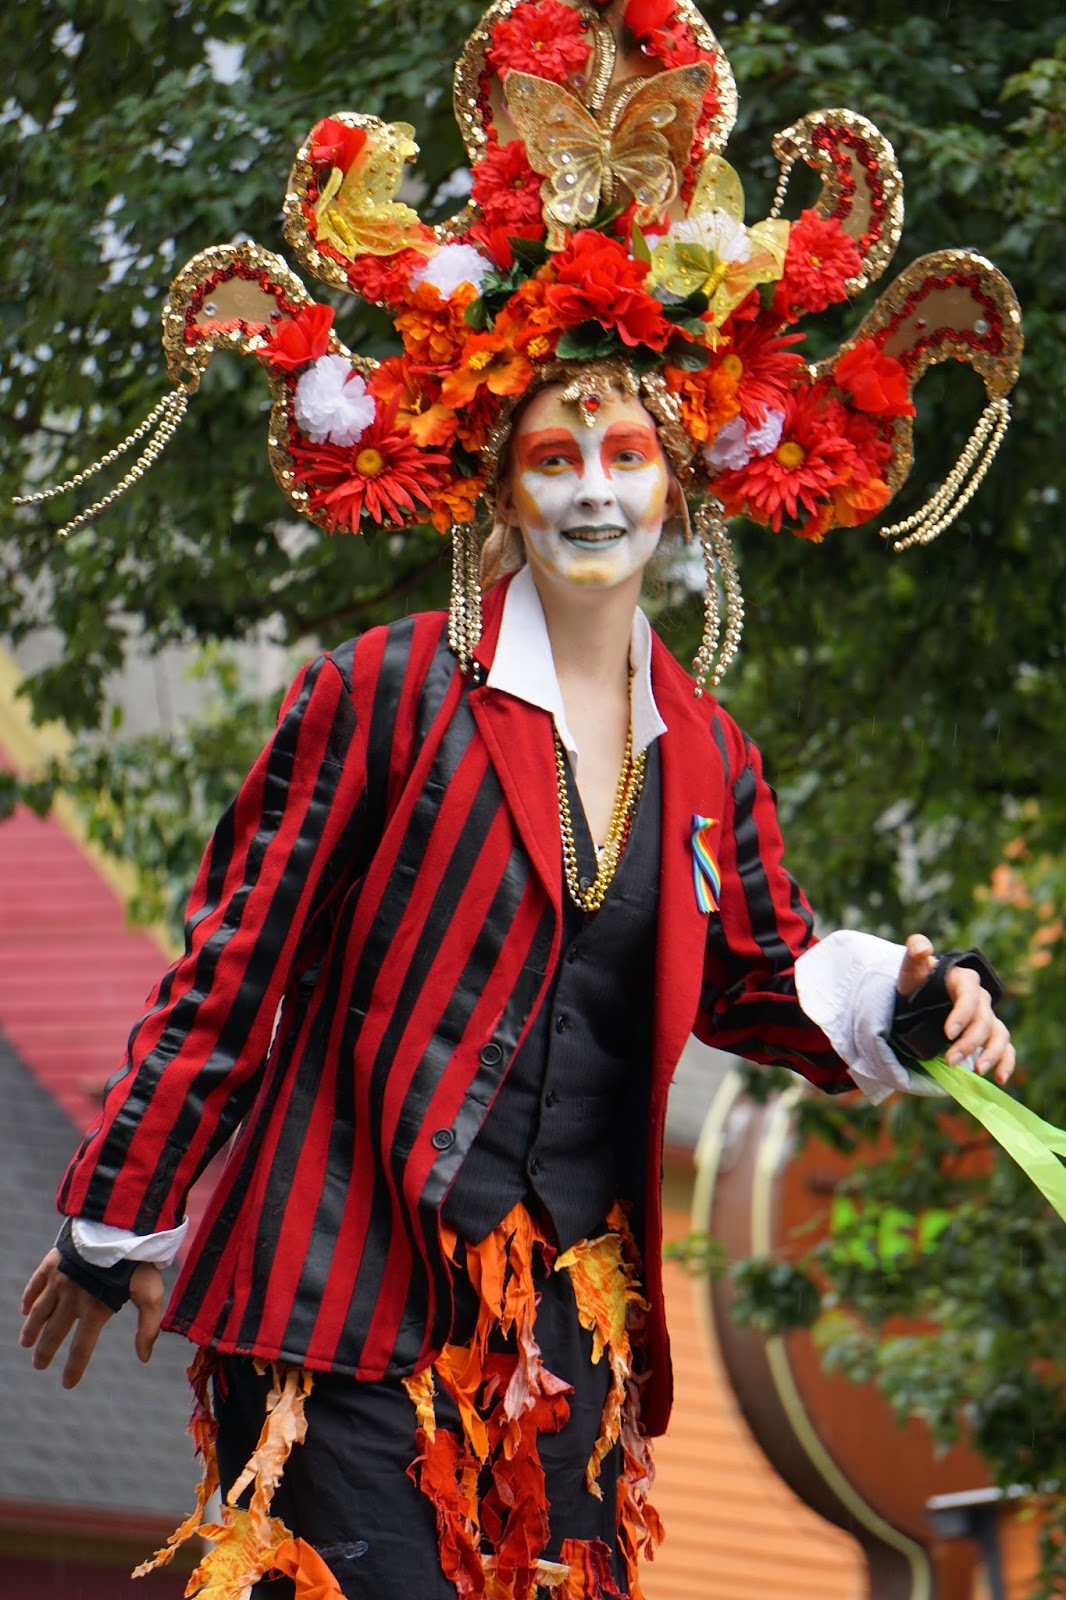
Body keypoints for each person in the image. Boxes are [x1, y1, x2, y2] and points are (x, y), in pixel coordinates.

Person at [19, 370, 1013, 1600]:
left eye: (629, 456)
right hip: (338, 1318)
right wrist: (118, 1216)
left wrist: (917, 1003)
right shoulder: (381, 691)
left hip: (559, 1356)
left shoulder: (707, 753)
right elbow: (232, 968)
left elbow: (764, 970)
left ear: (680, 491)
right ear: (499, 490)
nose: (594, 488)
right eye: (555, 458)